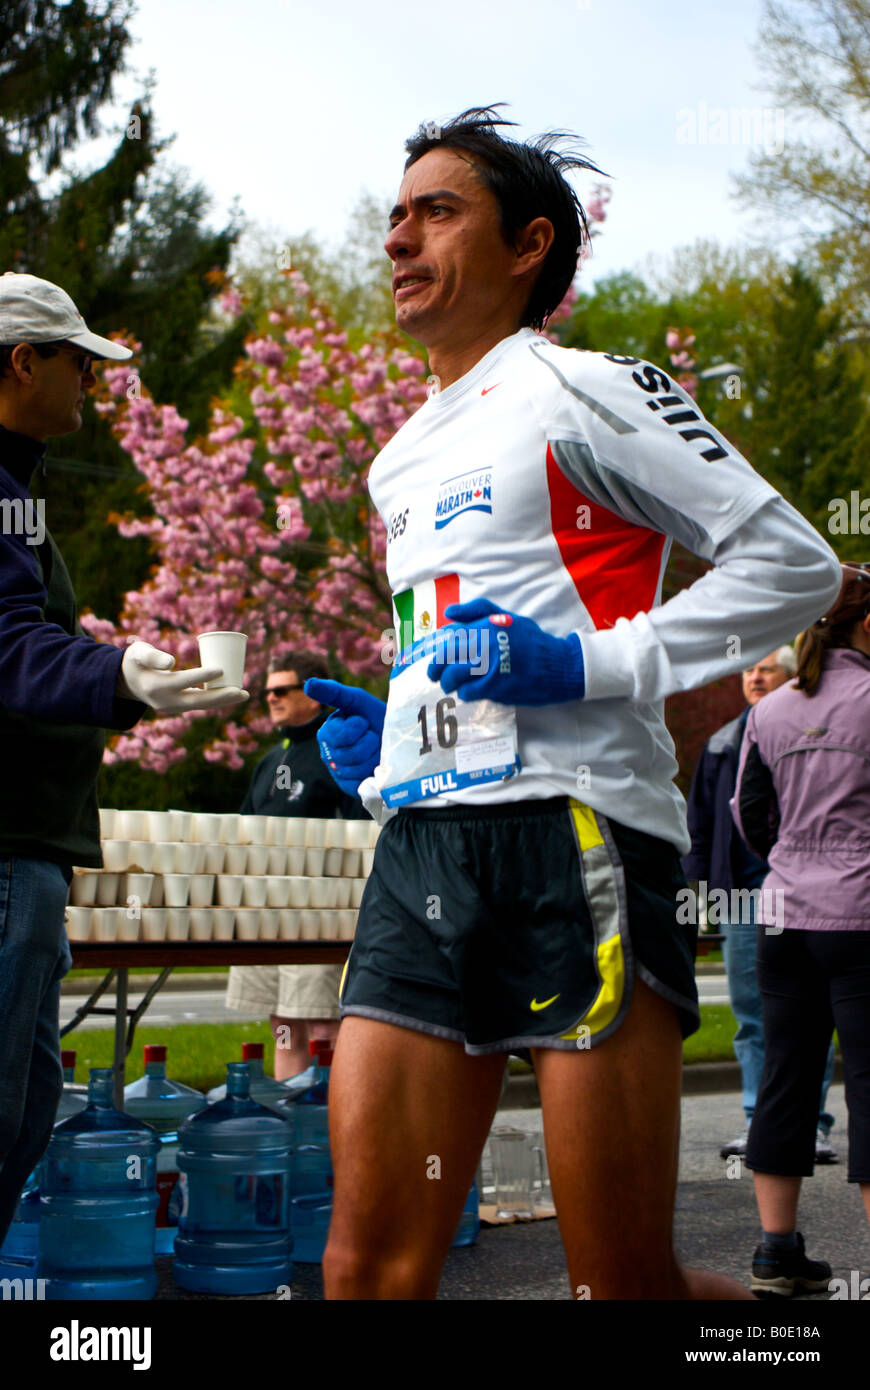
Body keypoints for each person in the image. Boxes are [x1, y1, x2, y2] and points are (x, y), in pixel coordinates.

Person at [304, 106, 841, 1301]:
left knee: (618, 1285)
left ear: (530, 243)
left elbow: (794, 565)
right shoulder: (397, 457)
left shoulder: (583, 389)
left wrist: (590, 668)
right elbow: (470, 630)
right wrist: (394, 735)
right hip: (424, 849)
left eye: (437, 211)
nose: (399, 237)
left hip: (576, 832)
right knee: (366, 1269)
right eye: (394, 215)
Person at [0, 272, 247, 1247]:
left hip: (30, 849)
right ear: (24, 361)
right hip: (8, 850)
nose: (91, 386)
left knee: (24, 1102)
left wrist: (115, 680)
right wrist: (116, 675)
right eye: (78, 364)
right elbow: (9, 649)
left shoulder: (20, 487)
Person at [732, 564, 870, 1298]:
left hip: (784, 914)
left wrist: (795, 860)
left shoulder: (772, 708)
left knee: (786, 1077)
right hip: (862, 913)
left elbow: (751, 816)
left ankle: (775, 1252)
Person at [684, 648, 837, 1162]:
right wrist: (696, 892)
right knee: (752, 1015)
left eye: (766, 668)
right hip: (741, 900)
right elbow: (700, 825)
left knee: (810, 1015)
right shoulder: (723, 742)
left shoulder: (815, 732)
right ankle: (759, 1122)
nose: (754, 676)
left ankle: (810, 1125)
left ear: (793, 677)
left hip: (804, 893)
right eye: (749, 669)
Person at [225, 649, 367, 1079]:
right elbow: (244, 830)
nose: (271, 698)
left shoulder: (340, 748)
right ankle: (291, 1122)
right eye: (267, 692)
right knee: (283, 1024)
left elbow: (362, 832)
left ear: (313, 694)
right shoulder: (270, 760)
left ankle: (330, 1126)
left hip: (320, 912)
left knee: (323, 1022)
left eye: (282, 690)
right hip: (264, 912)